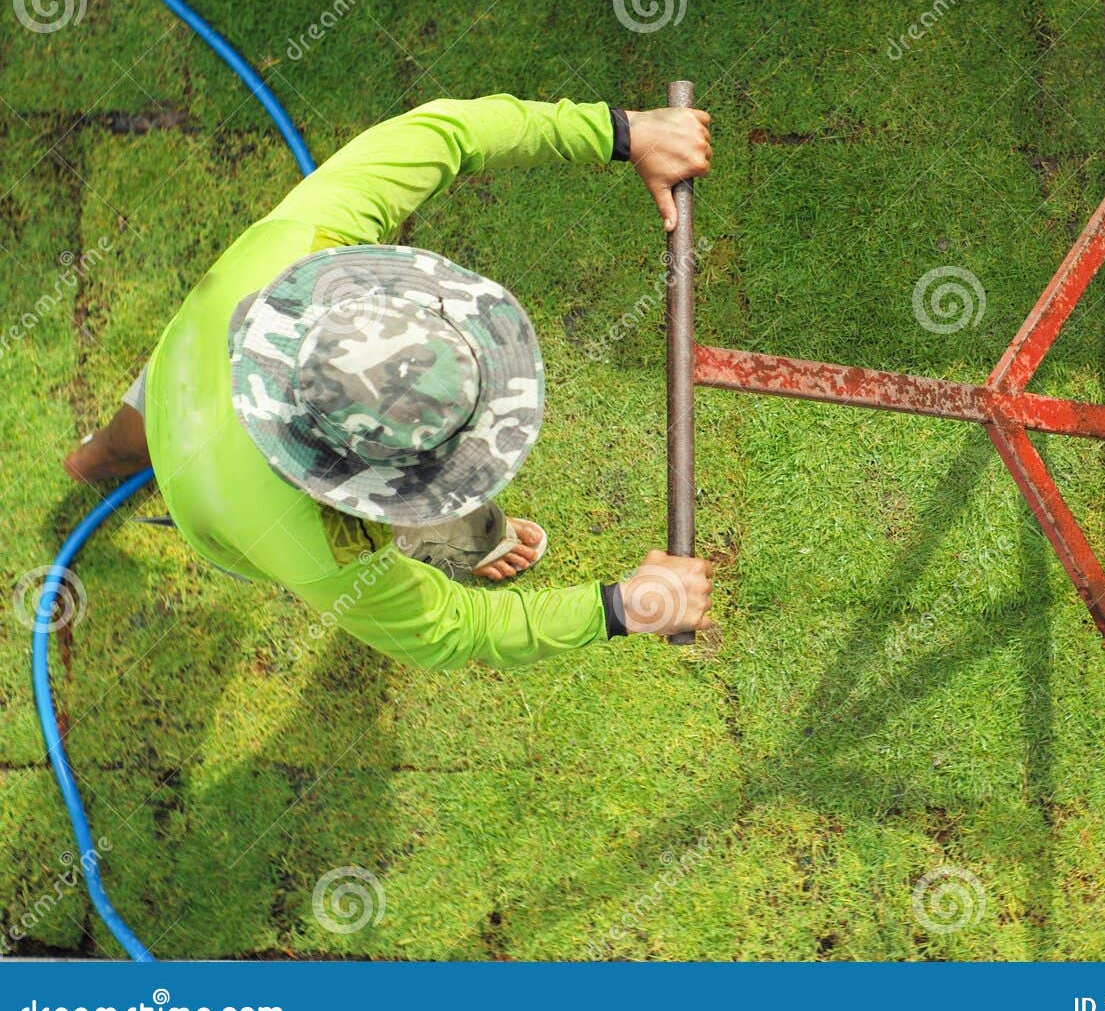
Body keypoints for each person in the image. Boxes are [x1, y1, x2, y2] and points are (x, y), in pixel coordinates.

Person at [63, 96, 713, 669]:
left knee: (135, 430)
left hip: (184, 364)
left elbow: (447, 131)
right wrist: (620, 607)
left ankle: (96, 456)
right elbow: (451, 629)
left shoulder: (308, 238)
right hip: (214, 511)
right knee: (445, 526)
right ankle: (464, 540)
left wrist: (623, 130)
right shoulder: (329, 550)